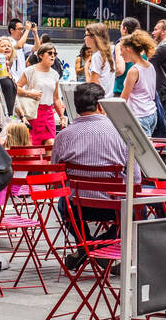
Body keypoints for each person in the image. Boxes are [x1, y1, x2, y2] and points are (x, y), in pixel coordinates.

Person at [51, 83, 139, 253]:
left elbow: (56, 176)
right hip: (115, 208)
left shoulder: (63, 137)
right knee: (133, 214)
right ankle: (99, 245)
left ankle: (85, 246)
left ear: (76, 107)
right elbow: (135, 179)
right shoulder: (121, 133)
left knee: (63, 204)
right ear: (100, 105)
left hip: (76, 208)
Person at [17, 42, 64, 146]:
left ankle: (49, 163)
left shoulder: (54, 74)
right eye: (50, 53)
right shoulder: (30, 71)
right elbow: (16, 88)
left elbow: (55, 98)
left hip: (48, 113)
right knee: (33, 145)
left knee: (51, 144)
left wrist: (62, 116)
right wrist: (29, 93)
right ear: (41, 55)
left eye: (55, 54)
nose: (53, 56)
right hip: (33, 112)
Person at [119, 30, 159, 136]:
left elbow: (123, 98)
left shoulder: (134, 71)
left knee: (141, 152)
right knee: (147, 147)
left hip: (139, 115)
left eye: (121, 49)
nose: (120, 53)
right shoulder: (150, 66)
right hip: (151, 113)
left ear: (128, 49)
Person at [83, 22, 122, 96]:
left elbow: (92, 85)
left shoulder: (97, 56)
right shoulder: (110, 52)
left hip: (99, 101)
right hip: (109, 99)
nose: (84, 38)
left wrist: (86, 69)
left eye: (86, 35)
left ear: (93, 37)